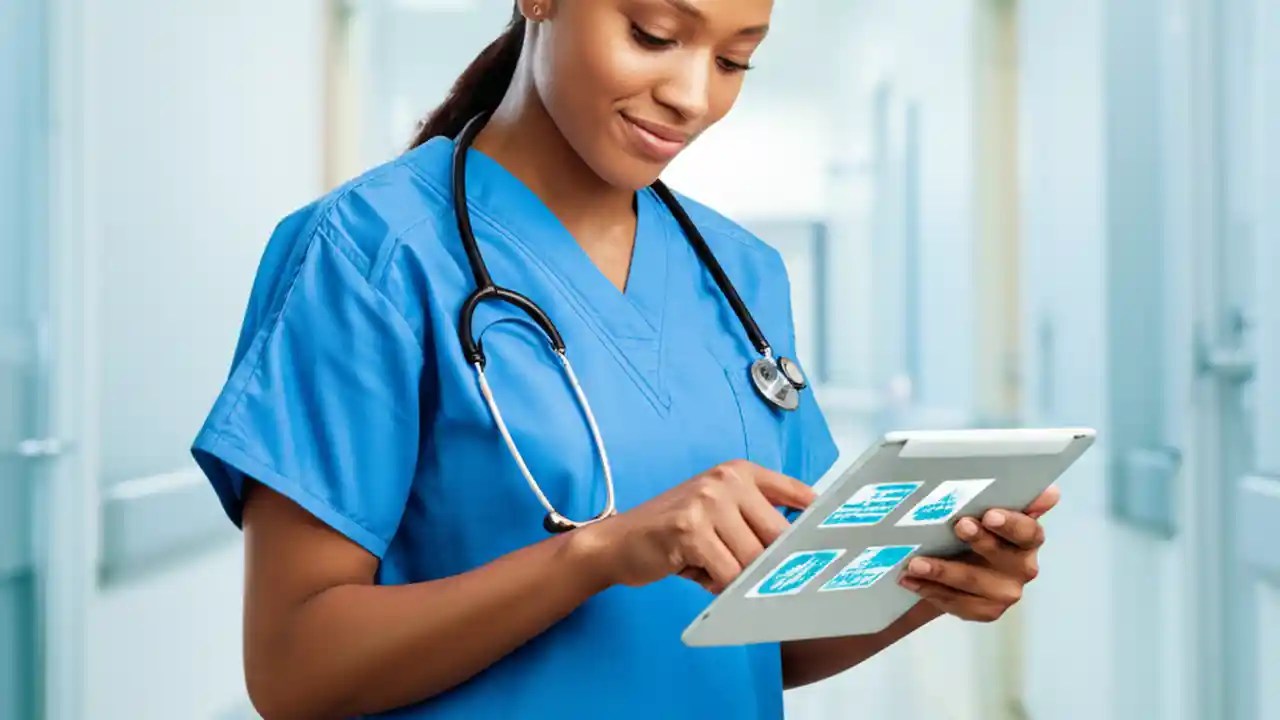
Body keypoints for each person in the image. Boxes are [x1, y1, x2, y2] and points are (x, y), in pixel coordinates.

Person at [191, 1, 1059, 718]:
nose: (692, 95)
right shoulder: (369, 253)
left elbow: (763, 640)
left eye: (734, 61)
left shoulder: (743, 274)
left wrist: (929, 583)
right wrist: (598, 555)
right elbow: (295, 669)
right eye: (654, 35)